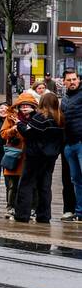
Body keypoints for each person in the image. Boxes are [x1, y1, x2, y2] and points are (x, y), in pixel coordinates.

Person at [13, 91, 66, 224]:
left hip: (35, 155)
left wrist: (19, 124)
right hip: (51, 156)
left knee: (27, 183)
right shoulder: (60, 118)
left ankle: (22, 214)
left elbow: (28, 133)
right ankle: (44, 215)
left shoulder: (40, 117)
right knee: (45, 185)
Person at [1, 95, 30, 219]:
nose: (24, 108)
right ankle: (10, 207)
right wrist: (13, 130)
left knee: (29, 184)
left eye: (27, 105)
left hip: (29, 154)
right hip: (14, 155)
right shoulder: (11, 117)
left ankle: (29, 208)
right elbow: (3, 134)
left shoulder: (35, 117)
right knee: (12, 184)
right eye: (22, 105)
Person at [62, 71, 82, 222]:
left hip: (80, 143)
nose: (72, 82)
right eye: (69, 80)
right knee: (76, 180)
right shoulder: (65, 98)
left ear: (79, 80)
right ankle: (80, 212)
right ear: (64, 82)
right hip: (69, 145)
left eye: (74, 79)